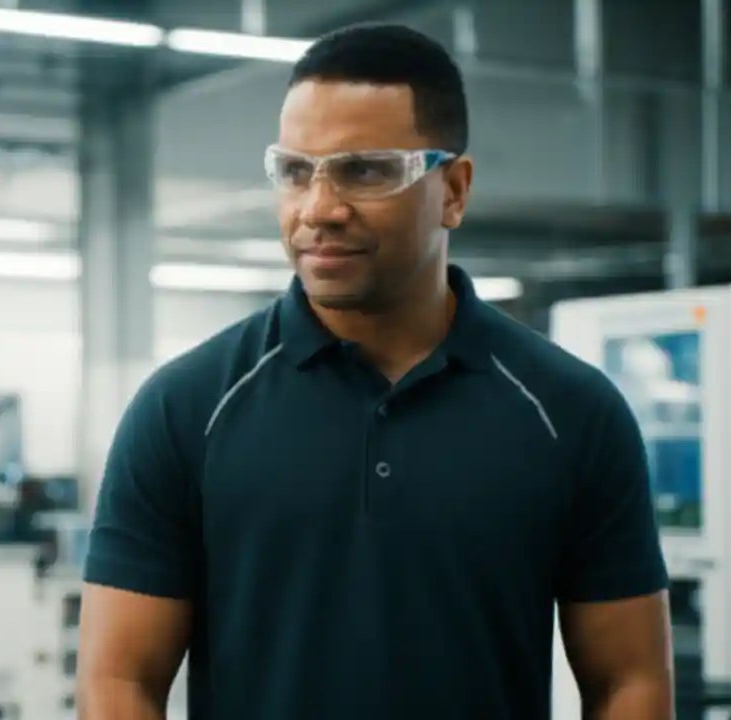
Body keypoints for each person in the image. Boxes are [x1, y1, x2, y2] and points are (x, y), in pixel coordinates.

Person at [76, 22, 673, 720]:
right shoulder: (185, 409)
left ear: (453, 190)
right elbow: (117, 681)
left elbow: (630, 681)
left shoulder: (571, 413)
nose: (319, 209)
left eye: (365, 171)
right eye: (295, 172)